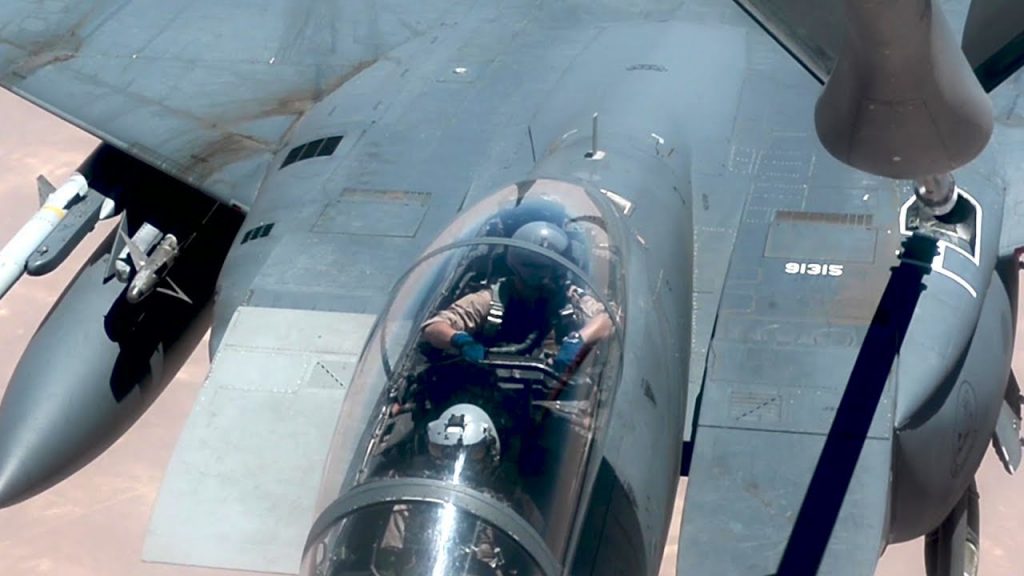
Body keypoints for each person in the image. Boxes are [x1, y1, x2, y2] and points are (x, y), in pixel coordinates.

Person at [421, 220, 612, 374]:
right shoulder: (492, 299)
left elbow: (608, 319)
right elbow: (434, 327)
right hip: (489, 390)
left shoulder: (568, 299)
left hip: (547, 397)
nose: (552, 277)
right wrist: (461, 342)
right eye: (543, 269)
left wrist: (578, 340)